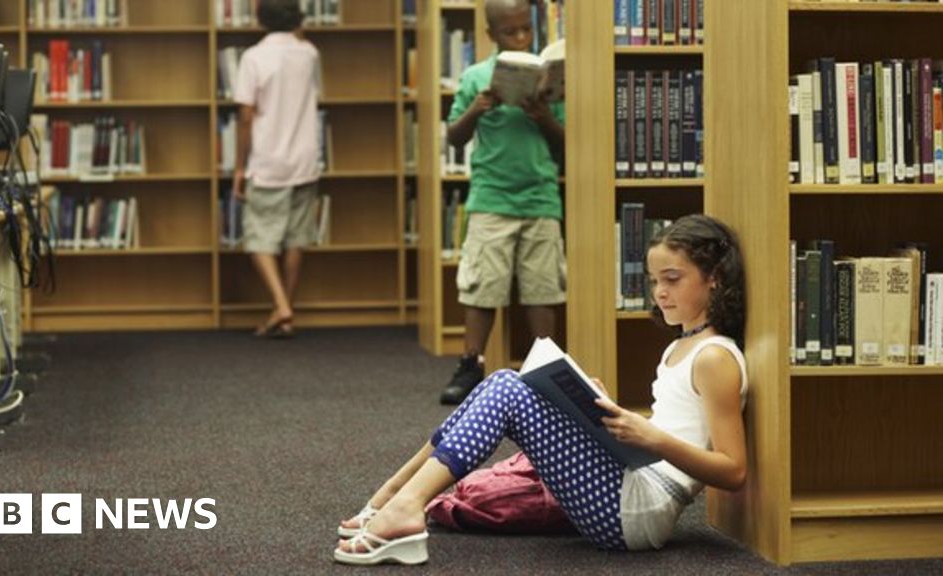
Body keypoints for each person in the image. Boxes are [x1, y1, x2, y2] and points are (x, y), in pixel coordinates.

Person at [334, 214, 749, 565]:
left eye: (673, 279)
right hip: (633, 480)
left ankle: (403, 504)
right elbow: (677, 430)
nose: (660, 292)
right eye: (655, 280)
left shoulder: (714, 357)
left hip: (641, 510)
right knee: (503, 381)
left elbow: (733, 470)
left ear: (713, 279)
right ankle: (394, 496)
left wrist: (649, 436)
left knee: (507, 390)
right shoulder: (681, 346)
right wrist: (604, 410)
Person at [440, 0, 567, 404]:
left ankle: (545, 368)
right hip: (491, 198)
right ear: (492, 35)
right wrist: (476, 110)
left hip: (540, 196)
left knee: (543, 288)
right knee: (483, 287)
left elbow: (565, 145)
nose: (520, 38)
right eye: (510, 33)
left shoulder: (547, 79)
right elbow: (454, 137)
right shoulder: (476, 77)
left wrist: (544, 115)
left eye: (525, 30)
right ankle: (470, 363)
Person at [232, 0, 321, 339]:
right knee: (296, 239)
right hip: (304, 158)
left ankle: (281, 306)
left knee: (259, 240)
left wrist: (240, 167)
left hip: (268, 160)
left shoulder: (253, 57)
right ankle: (283, 312)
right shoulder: (309, 53)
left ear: (260, 19)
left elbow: (245, 117)